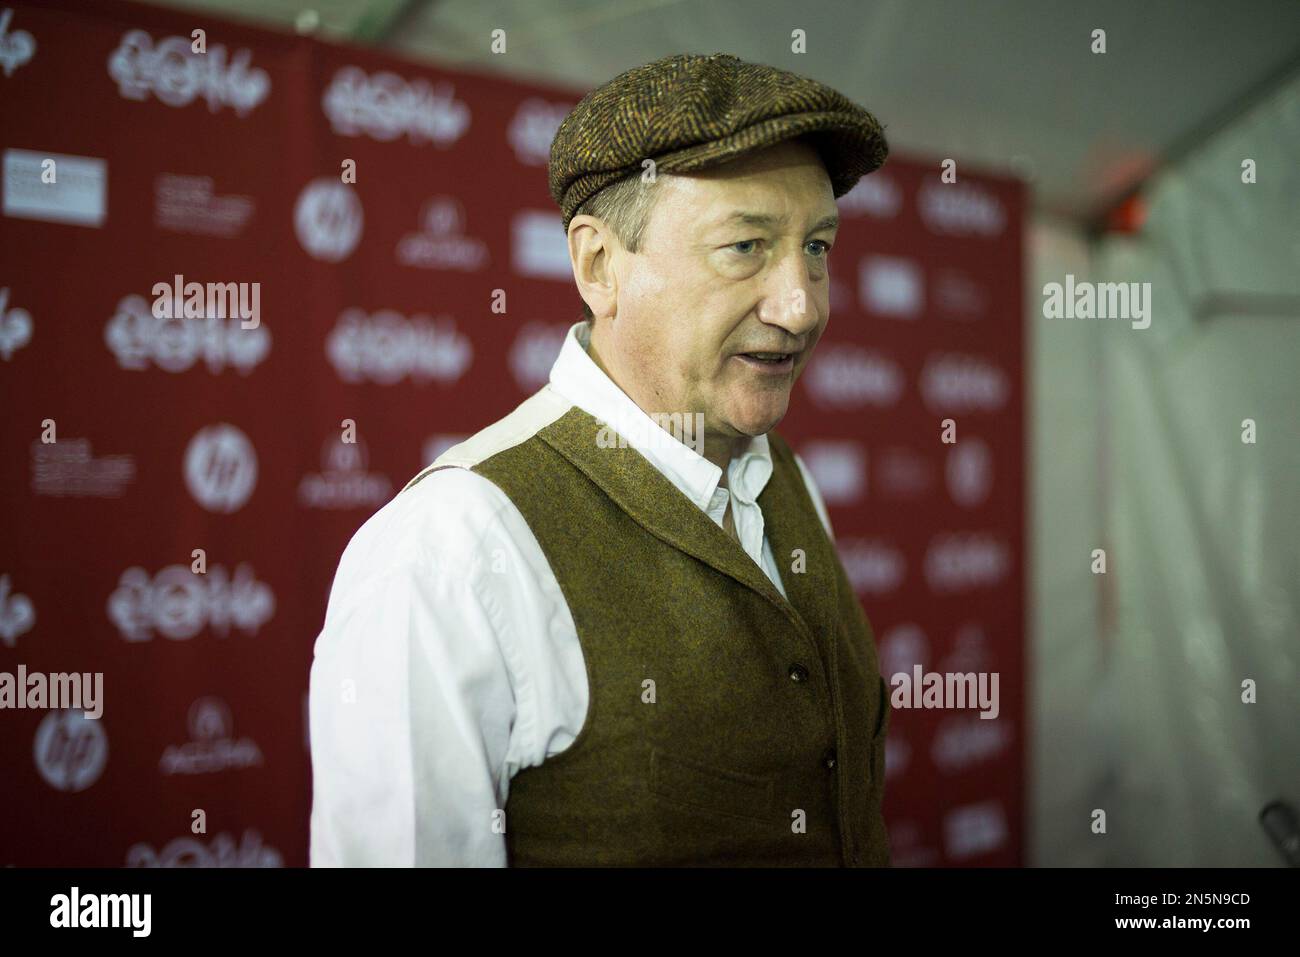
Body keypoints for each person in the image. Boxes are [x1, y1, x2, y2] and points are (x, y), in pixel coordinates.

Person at [309, 52, 892, 867]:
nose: (801, 304)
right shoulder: (449, 550)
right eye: (747, 246)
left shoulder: (786, 481)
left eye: (818, 247)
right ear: (599, 267)